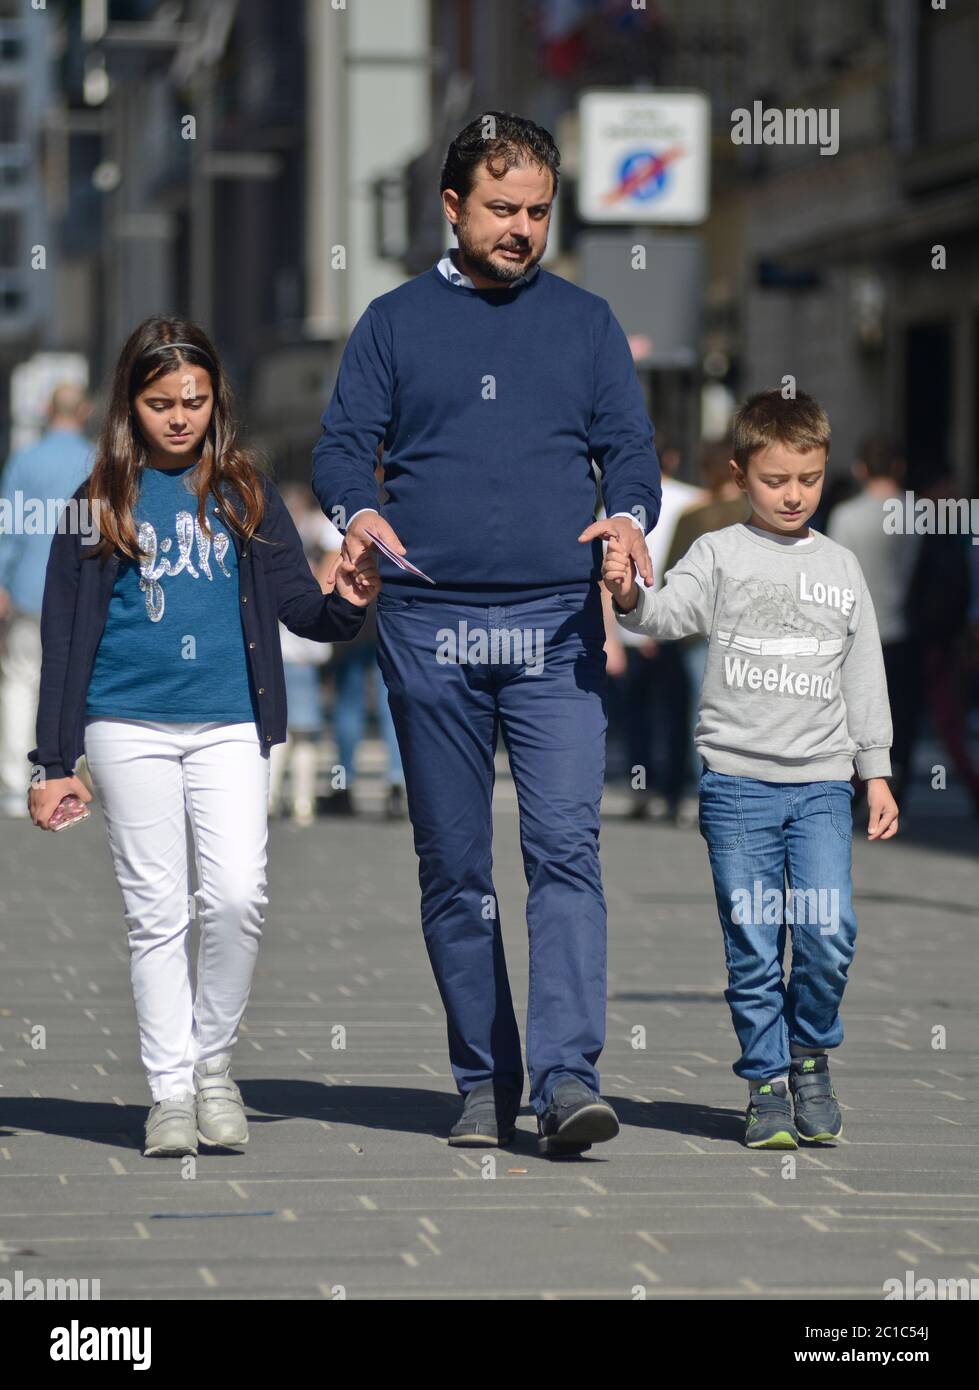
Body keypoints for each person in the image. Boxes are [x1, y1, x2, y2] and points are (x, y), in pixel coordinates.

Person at [312, 112, 661, 1157]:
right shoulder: (391, 322)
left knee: (564, 847)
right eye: (502, 208)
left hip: (556, 625)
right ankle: (481, 1076)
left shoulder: (588, 322)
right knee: (455, 864)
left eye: (539, 211)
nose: (521, 228)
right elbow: (340, 450)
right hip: (429, 624)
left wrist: (627, 521)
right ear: (452, 205)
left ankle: (564, 1078)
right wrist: (358, 515)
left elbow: (630, 450)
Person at [27, 317, 378, 1158]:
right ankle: (169, 1094)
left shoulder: (244, 493)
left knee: (234, 897)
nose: (179, 417)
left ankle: (213, 1065)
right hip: (126, 724)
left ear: (217, 399)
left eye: (194, 399)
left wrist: (351, 601)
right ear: (130, 405)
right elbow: (65, 637)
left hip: (229, 723)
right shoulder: (97, 502)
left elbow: (303, 609)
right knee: (156, 915)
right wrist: (50, 760)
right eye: (159, 404)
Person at [605, 389, 898, 1149]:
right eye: (775, 480)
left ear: (824, 472)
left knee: (828, 928)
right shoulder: (718, 553)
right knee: (753, 936)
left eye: (806, 479)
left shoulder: (840, 565)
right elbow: (664, 617)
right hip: (736, 783)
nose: (792, 494)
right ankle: (765, 1081)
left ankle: (809, 1056)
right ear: (740, 475)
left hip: (821, 783)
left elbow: (862, 671)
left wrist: (876, 770)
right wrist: (629, 594)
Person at [0, 385, 93, 817]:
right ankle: (81, 774)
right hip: (83, 592)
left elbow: (8, 526)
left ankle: (18, 780)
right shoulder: (98, 460)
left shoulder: (25, 460)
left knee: (21, 681)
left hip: (28, 587)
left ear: (45, 409)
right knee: (83, 682)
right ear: (85, 411)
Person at [602, 442, 703, 821]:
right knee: (678, 714)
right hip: (678, 628)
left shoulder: (613, 513)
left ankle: (643, 791)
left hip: (632, 623)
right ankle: (677, 795)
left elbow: (602, 578)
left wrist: (610, 637)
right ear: (674, 458)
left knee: (637, 718)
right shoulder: (695, 501)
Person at [827, 437, 921, 804]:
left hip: (857, 630)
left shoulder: (845, 516)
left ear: (860, 470)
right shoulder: (918, 511)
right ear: (898, 467)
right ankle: (895, 791)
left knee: (853, 714)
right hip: (904, 629)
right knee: (903, 717)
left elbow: (834, 576)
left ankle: (854, 792)